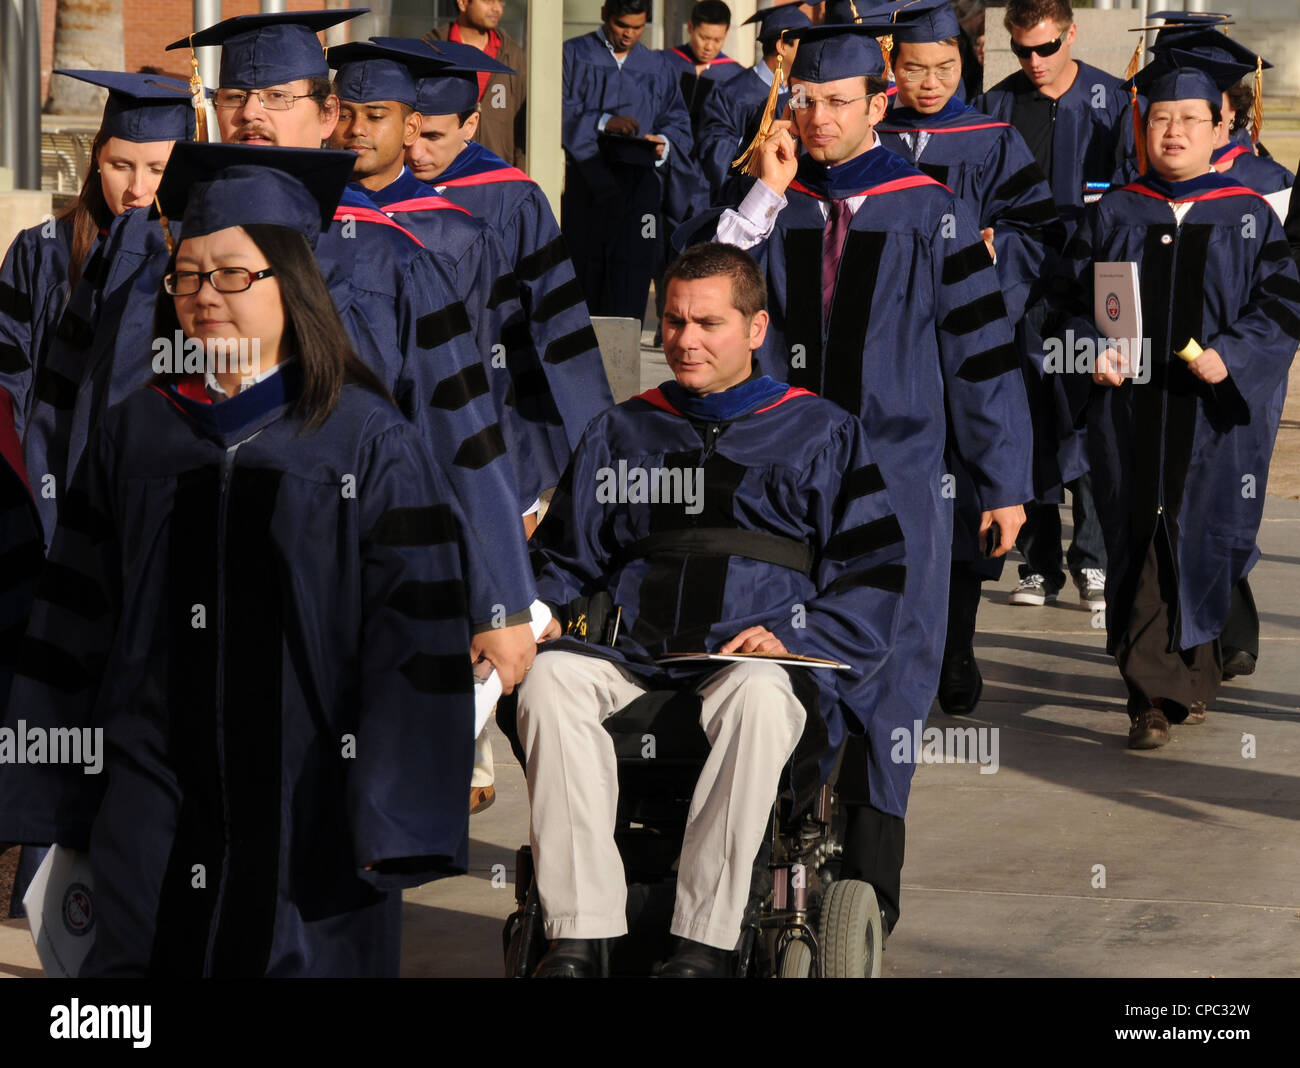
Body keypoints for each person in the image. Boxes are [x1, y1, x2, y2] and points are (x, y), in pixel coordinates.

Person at [0, 144, 477, 975]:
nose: (202, 297)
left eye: (232, 275)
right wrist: (52, 798)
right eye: (185, 276)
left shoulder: (368, 441)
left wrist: (395, 818)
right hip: (150, 798)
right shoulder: (137, 432)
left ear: (292, 281)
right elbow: (72, 629)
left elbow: (415, 645)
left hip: (313, 809)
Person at [680, 20, 1032, 936]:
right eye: (807, 100)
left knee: (893, 664)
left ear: (878, 105)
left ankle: (869, 886)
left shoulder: (931, 210)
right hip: (783, 482)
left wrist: (1003, 480)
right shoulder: (772, 204)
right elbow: (696, 302)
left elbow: (982, 356)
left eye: (838, 102)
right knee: (778, 655)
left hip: (906, 479)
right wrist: (761, 193)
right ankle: (770, 861)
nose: (821, 117)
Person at [517, 242, 905, 978]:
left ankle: (705, 945)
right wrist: (526, 615)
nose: (685, 340)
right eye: (671, 321)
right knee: (550, 680)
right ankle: (579, 936)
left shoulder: (822, 431)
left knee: (757, 695)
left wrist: (798, 634)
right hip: (641, 661)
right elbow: (564, 560)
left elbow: (875, 567)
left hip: (759, 665)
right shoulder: (621, 430)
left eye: (708, 323)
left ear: (756, 330)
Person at [159, 12, 541, 694]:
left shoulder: (393, 259)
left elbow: (457, 423)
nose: (252, 114)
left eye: (278, 96)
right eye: (236, 97)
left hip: (357, 565)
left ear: (327, 112)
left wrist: (500, 599)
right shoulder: (164, 259)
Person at [1039, 65, 1300, 750]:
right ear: (1142, 128)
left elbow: (1281, 304)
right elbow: (1061, 305)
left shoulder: (1246, 215)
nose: (1174, 131)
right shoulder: (1115, 213)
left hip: (1213, 420)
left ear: (1221, 128)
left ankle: (1194, 675)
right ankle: (1150, 698)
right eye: (1160, 119)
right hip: (1129, 415)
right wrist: (1087, 348)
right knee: (1141, 540)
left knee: (1205, 541)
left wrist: (1235, 355)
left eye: (1190, 119)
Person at [874, 0, 1062, 716]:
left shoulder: (992, 139)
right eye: (915, 69)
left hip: (969, 345)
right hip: (886, 351)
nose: (930, 83)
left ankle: (956, 645)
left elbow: (1036, 230)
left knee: (967, 494)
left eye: (945, 68)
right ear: (891, 68)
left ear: (965, 62)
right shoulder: (868, 132)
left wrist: (994, 253)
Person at [326, 37, 556, 515]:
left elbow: (493, 375)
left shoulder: (458, 236)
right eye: (345, 113)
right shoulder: (304, 218)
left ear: (409, 126)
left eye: (375, 114)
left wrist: (515, 497)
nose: (356, 130)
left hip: (425, 475)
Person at [401, 50, 616, 486]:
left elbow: (557, 319)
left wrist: (595, 434)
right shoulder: (375, 190)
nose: (416, 152)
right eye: (409, 135)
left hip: (488, 395)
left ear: (470, 125)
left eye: (434, 137)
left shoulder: (512, 197)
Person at [0, 70, 198, 542]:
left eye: (157, 169)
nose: (136, 189)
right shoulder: (42, 251)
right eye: (121, 165)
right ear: (97, 158)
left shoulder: (203, 261)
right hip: (48, 495)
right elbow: (9, 379)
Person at [975, 0, 1125, 615]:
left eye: (1046, 48)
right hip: (1022, 283)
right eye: (1022, 51)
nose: (1034, 63)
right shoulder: (997, 108)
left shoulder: (1116, 102)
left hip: (1095, 280)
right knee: (1028, 413)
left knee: (1092, 410)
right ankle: (1038, 562)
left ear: (1071, 34)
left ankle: (1092, 556)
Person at [561, 0, 697, 321]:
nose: (629, 35)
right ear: (605, 16)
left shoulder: (658, 66)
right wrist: (603, 121)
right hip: (586, 184)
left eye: (638, 27)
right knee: (584, 274)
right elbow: (554, 108)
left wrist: (663, 143)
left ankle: (623, 364)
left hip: (638, 190)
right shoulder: (573, 55)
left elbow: (678, 122)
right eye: (623, 25)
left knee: (631, 275)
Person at [694, 4, 809, 203]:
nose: (810, 51)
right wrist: (755, 143)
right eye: (804, 43)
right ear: (782, 46)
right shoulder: (732, 93)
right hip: (742, 201)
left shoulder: (800, 92)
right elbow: (714, 153)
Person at [422, 0, 527, 168]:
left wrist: (519, 174)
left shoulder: (513, 55)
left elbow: (523, 126)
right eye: (488, 1)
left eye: (501, 2)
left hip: (497, 173)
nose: (497, 9)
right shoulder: (431, 49)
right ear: (463, 3)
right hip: (443, 171)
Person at [661, 1, 739, 138]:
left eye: (717, 40)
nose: (709, 47)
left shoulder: (735, 76)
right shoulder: (665, 62)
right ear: (690, 28)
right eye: (704, 38)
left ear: (726, 34)